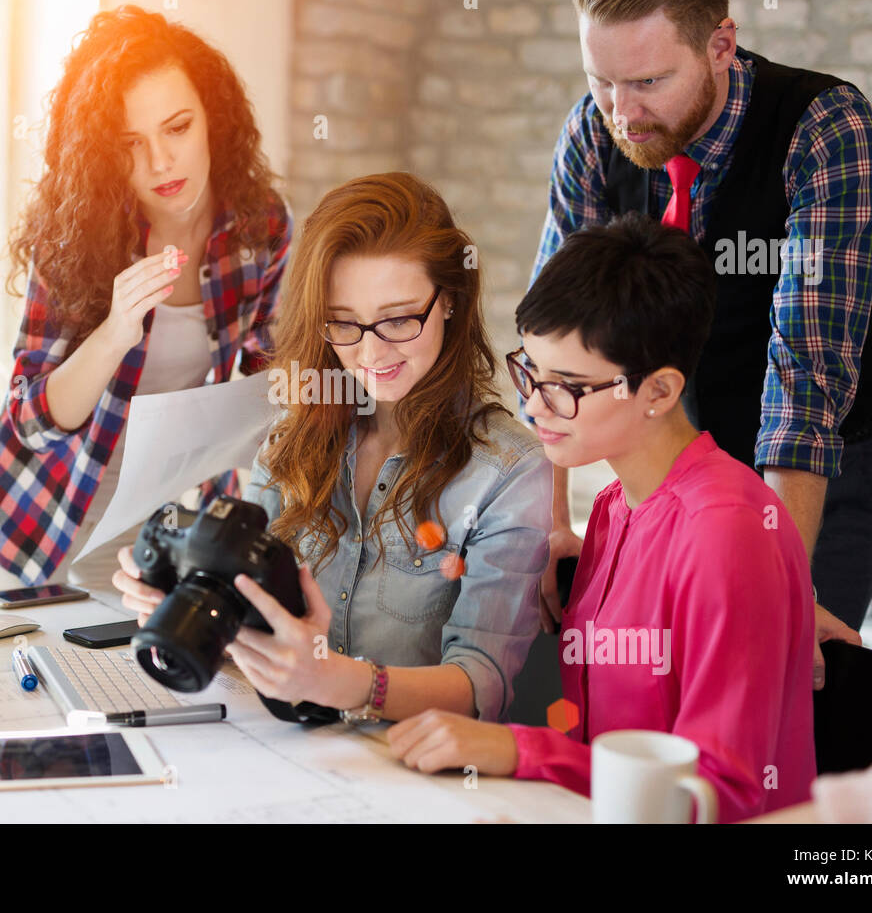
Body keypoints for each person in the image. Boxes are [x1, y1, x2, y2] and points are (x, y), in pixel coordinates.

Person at [530, 0, 872, 655]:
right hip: (681, 460)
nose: (623, 112)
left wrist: (776, 583)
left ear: (720, 46)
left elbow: (805, 373)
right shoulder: (594, 130)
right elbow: (557, 338)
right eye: (601, 80)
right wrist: (550, 520)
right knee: (664, 676)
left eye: (648, 82)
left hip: (827, 457)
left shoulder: (825, 129)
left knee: (770, 666)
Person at [391, 214, 817, 823]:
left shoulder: (726, 530)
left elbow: (720, 788)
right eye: (530, 372)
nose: (535, 406)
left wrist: (518, 748)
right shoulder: (614, 509)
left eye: (566, 385)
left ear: (660, 392)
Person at [115, 172, 552, 723]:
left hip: (414, 772)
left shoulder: (509, 472)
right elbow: (260, 621)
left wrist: (341, 683)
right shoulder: (290, 439)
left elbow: (481, 686)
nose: (370, 351)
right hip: (291, 749)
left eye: (398, 319)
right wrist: (194, 615)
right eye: (343, 323)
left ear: (451, 301)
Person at [0, 6, 291, 590]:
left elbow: (267, 388)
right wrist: (115, 331)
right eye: (130, 143)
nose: (160, 162)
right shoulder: (75, 231)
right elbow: (32, 424)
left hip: (146, 534)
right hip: (30, 525)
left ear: (212, 118)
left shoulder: (260, 228)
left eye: (178, 127)